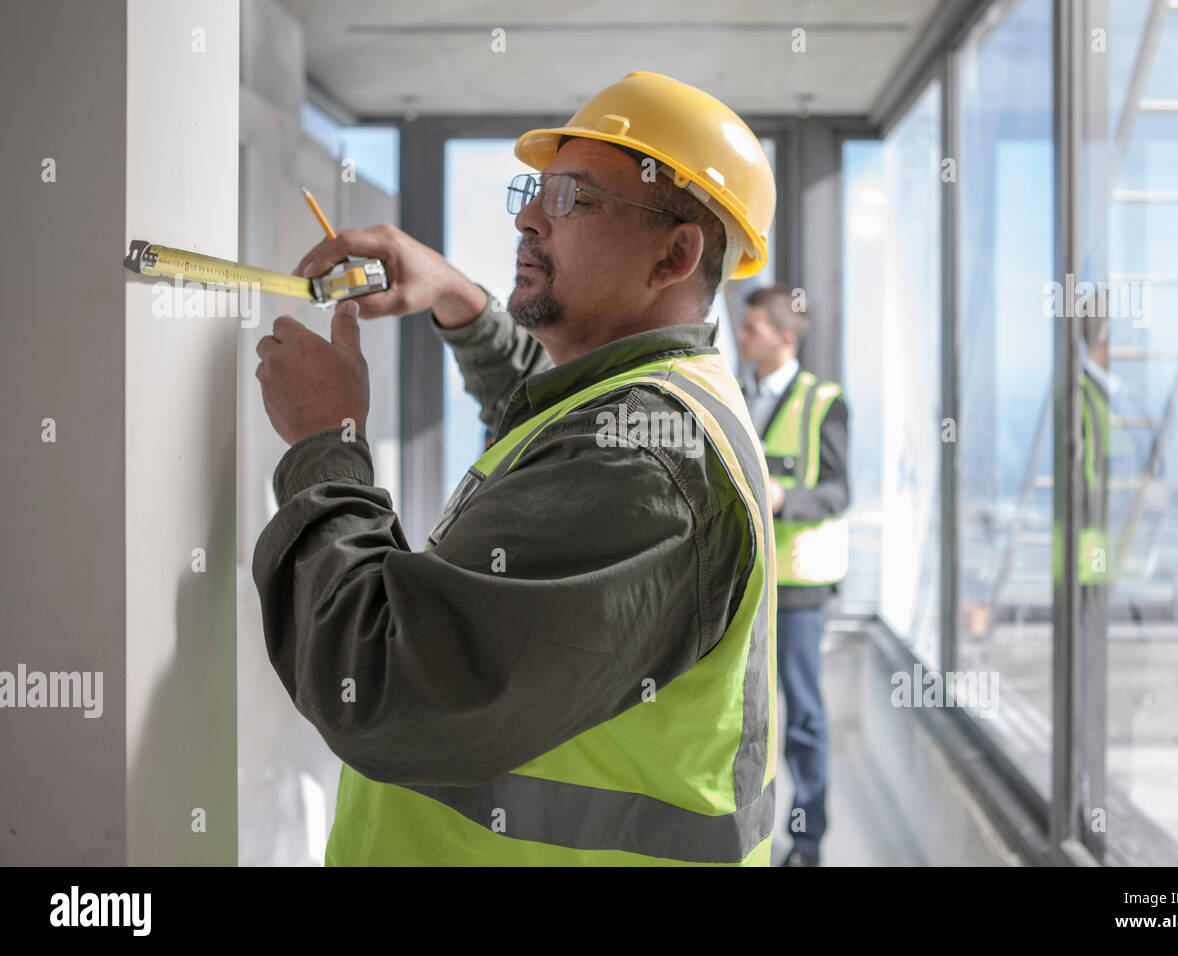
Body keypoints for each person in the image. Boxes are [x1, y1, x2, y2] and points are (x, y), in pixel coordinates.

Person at [250, 72, 782, 865]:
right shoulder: (647, 402)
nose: (530, 217)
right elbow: (545, 427)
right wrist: (457, 299)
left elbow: (381, 685)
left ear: (675, 254)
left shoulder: (643, 459)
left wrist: (328, 442)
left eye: (574, 199)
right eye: (537, 189)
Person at [735, 286, 850, 866]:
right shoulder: (735, 393)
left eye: (751, 328)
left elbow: (838, 492)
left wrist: (783, 498)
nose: (740, 336)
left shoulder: (823, 401)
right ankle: (747, 837)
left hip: (799, 588)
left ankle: (807, 844)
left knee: (801, 714)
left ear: (784, 338)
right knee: (747, 713)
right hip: (746, 582)